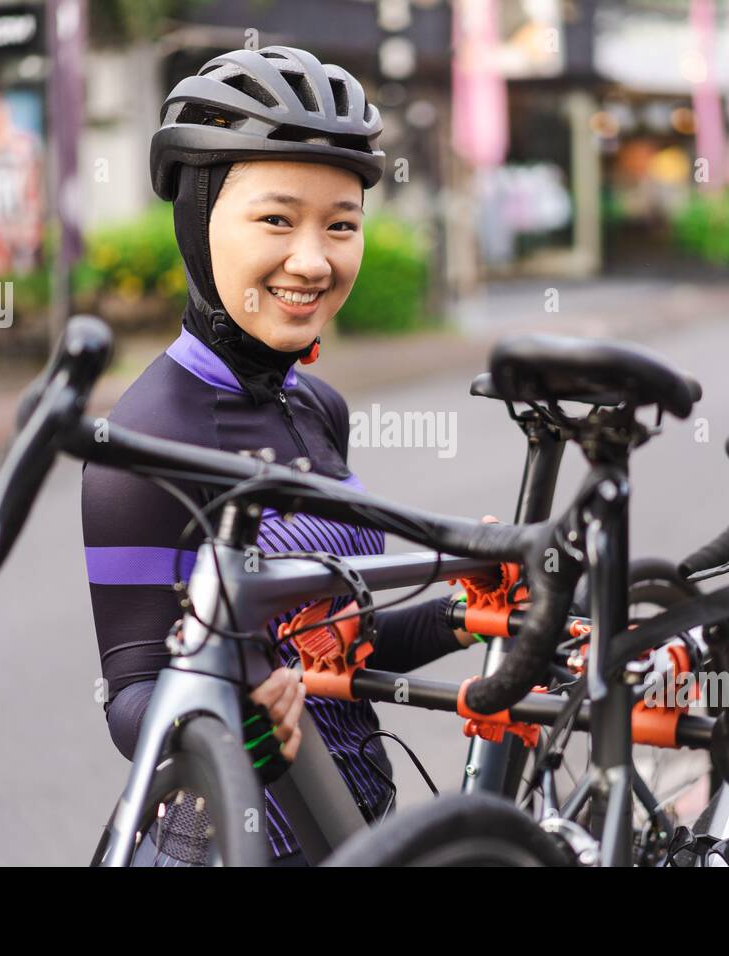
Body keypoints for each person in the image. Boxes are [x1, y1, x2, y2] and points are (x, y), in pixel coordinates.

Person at [81, 46, 482, 866]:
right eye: (276, 219)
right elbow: (131, 701)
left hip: (364, 830)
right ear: (198, 222)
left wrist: (468, 608)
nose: (313, 259)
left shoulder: (317, 406)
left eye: (341, 224)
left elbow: (344, 639)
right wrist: (227, 713)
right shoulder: (142, 442)